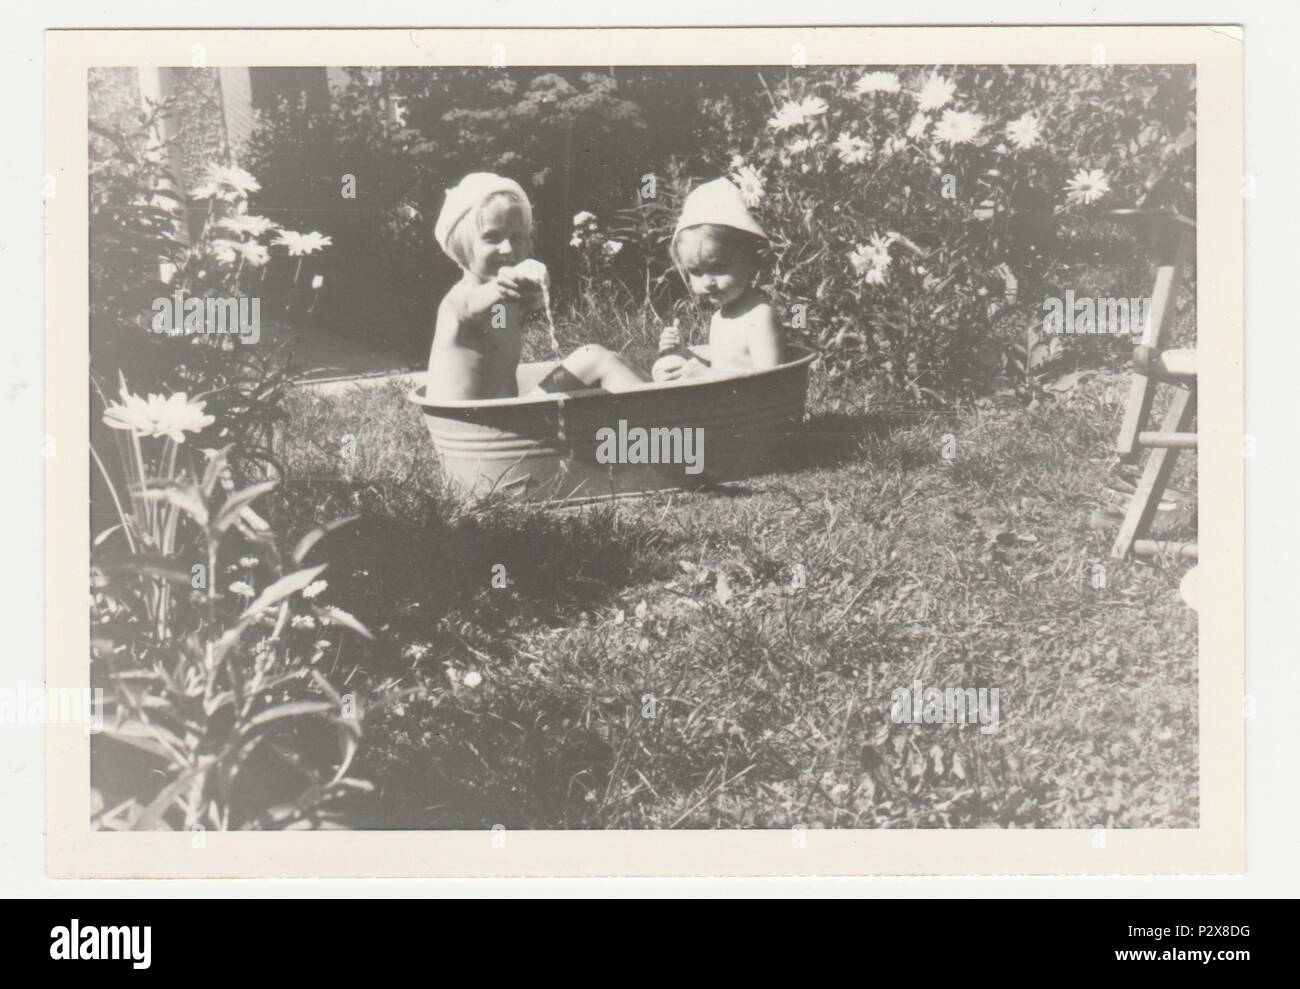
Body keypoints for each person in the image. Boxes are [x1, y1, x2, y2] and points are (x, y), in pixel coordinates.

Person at [427, 173, 648, 401]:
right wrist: (501, 287)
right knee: (595, 358)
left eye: (516, 237)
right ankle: (664, 419)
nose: (507, 249)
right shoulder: (459, 299)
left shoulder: (497, 307)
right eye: (492, 238)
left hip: (500, 420)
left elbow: (495, 329)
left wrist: (532, 296)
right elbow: (471, 307)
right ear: (461, 248)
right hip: (468, 425)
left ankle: (662, 396)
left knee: (613, 358)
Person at [654, 177, 785, 383]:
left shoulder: (760, 318)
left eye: (718, 268)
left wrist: (707, 375)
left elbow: (771, 386)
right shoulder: (720, 317)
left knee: (605, 366)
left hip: (748, 413)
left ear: (750, 259)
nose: (707, 282)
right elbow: (722, 367)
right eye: (695, 271)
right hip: (723, 407)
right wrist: (684, 355)